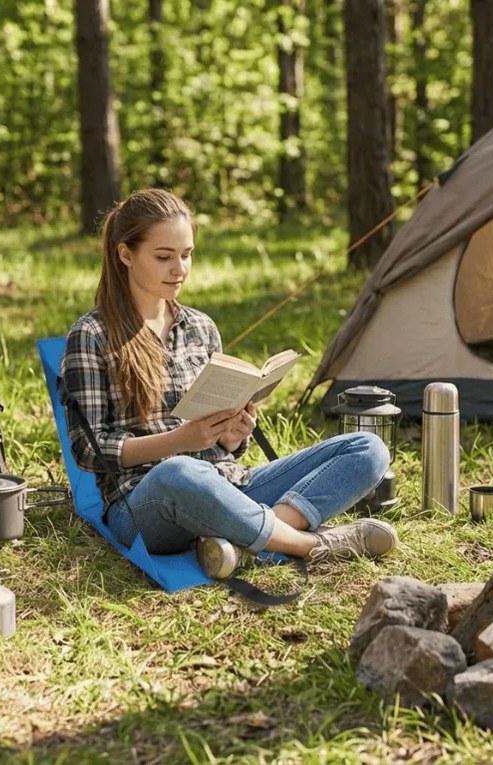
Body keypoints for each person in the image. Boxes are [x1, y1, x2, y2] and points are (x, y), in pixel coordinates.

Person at [60, 188, 398, 579]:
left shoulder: (201, 327)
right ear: (126, 255)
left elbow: (227, 449)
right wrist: (178, 443)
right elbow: (88, 450)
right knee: (181, 471)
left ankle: (242, 537)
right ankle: (306, 544)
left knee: (368, 448)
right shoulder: (92, 334)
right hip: (145, 502)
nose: (180, 269)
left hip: (229, 484)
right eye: (164, 257)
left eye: (187, 255)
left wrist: (235, 434)